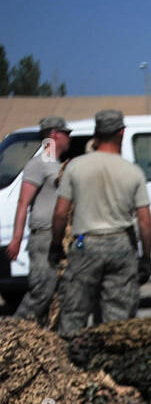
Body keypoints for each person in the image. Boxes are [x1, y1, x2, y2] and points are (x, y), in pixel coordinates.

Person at [48, 109, 151, 336]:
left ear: (96, 133)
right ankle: (111, 366)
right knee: (118, 320)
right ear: (121, 133)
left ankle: (73, 366)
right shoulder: (132, 171)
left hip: (86, 245)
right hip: (122, 246)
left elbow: (60, 214)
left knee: (74, 314)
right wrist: (146, 257)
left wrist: (55, 245)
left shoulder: (75, 167)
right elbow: (144, 220)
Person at [7, 116, 72, 322]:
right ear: (54, 135)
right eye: (66, 133)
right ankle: (13, 331)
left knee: (58, 293)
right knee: (41, 291)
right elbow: (23, 203)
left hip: (59, 238)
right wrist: (16, 238)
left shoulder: (57, 164)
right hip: (43, 237)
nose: (69, 138)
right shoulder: (38, 164)